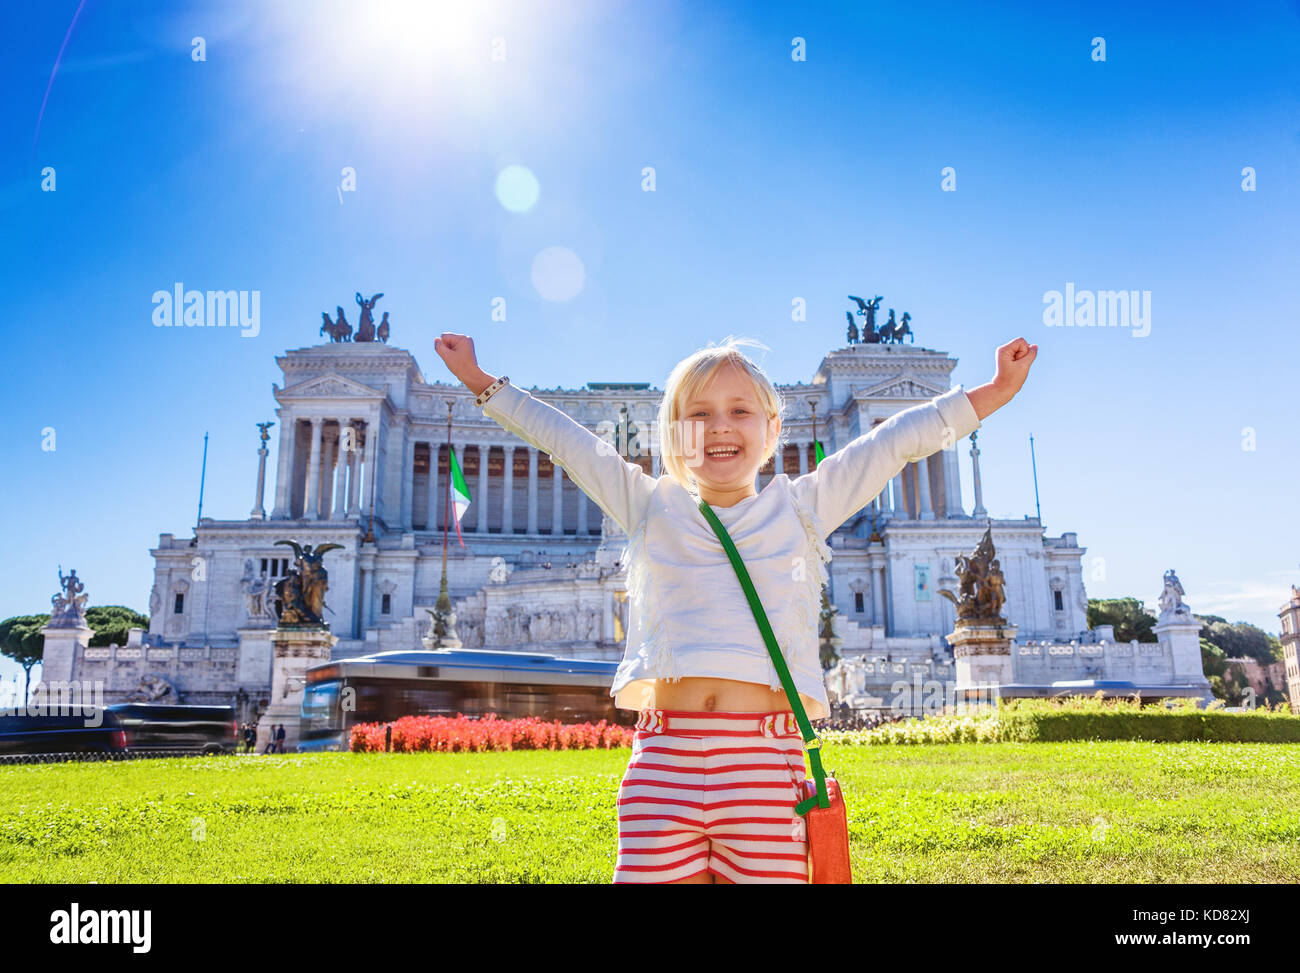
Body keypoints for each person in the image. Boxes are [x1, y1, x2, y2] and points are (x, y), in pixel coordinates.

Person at [435, 331, 1036, 884]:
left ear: (774, 431)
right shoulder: (648, 506)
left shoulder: (804, 506)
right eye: (698, 414)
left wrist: (994, 391)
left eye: (740, 411)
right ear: (672, 438)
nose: (719, 426)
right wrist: (482, 382)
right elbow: (566, 441)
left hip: (764, 763)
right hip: (663, 762)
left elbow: (893, 444)